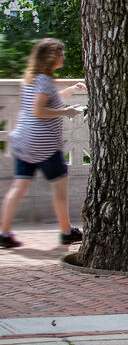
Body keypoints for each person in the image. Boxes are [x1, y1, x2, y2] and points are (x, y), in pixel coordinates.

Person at [0, 39, 86, 248]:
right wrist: (67, 112)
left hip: (24, 141)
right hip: (44, 145)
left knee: (19, 185)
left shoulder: (32, 79)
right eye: (61, 53)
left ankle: (3, 232)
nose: (63, 57)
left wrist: (72, 90)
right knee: (60, 185)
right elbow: (39, 111)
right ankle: (66, 231)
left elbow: (50, 100)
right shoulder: (44, 81)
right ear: (51, 57)